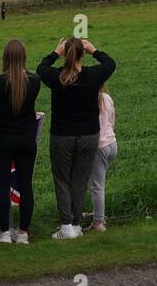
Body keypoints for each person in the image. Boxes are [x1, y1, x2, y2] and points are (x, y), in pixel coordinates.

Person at [38, 37, 116, 239]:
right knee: (80, 181)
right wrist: (94, 50)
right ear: (83, 54)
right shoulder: (93, 75)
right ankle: (77, 224)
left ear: (66, 53)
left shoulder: (57, 77)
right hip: (89, 135)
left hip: (62, 135)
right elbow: (110, 64)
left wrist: (56, 52)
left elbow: (41, 68)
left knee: (62, 180)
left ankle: (66, 227)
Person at [0, 39, 41, 244]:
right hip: (26, 139)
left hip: (3, 139)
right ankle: (23, 233)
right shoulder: (34, 80)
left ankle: (4, 233)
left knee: (3, 185)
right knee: (26, 185)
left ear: (5, 57)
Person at [86, 81, 117, 231]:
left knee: (96, 185)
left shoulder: (88, 100)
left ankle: (98, 222)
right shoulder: (107, 98)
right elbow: (112, 120)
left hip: (99, 146)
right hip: (112, 143)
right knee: (98, 182)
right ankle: (98, 213)